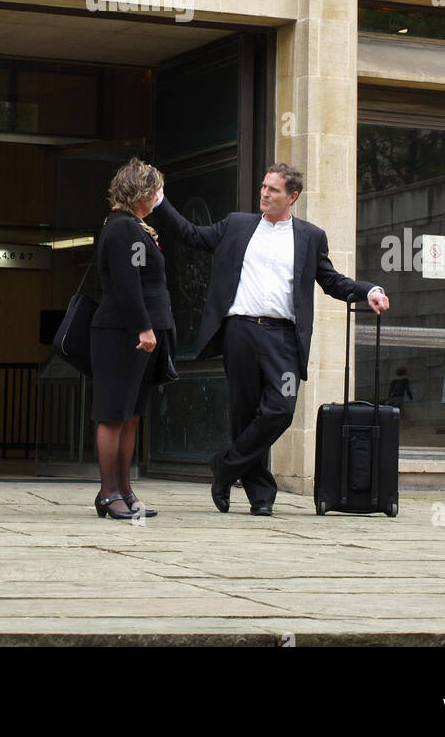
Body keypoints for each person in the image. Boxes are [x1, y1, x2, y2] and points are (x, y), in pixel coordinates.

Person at [151, 163, 389, 515]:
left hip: (283, 338)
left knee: (281, 408)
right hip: (240, 332)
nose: (264, 193)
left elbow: (332, 281)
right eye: (263, 186)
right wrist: (160, 201)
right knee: (245, 415)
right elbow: (190, 234)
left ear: (292, 196)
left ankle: (225, 466)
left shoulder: (310, 236)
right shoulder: (236, 225)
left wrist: (368, 290)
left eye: (273, 189)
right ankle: (261, 496)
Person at [90, 158, 176, 520]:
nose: (159, 196)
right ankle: (108, 494)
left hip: (142, 336)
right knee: (113, 414)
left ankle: (124, 489)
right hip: (123, 334)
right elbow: (127, 286)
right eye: (155, 190)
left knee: (131, 415)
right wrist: (143, 327)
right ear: (139, 193)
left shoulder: (134, 226)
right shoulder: (123, 228)